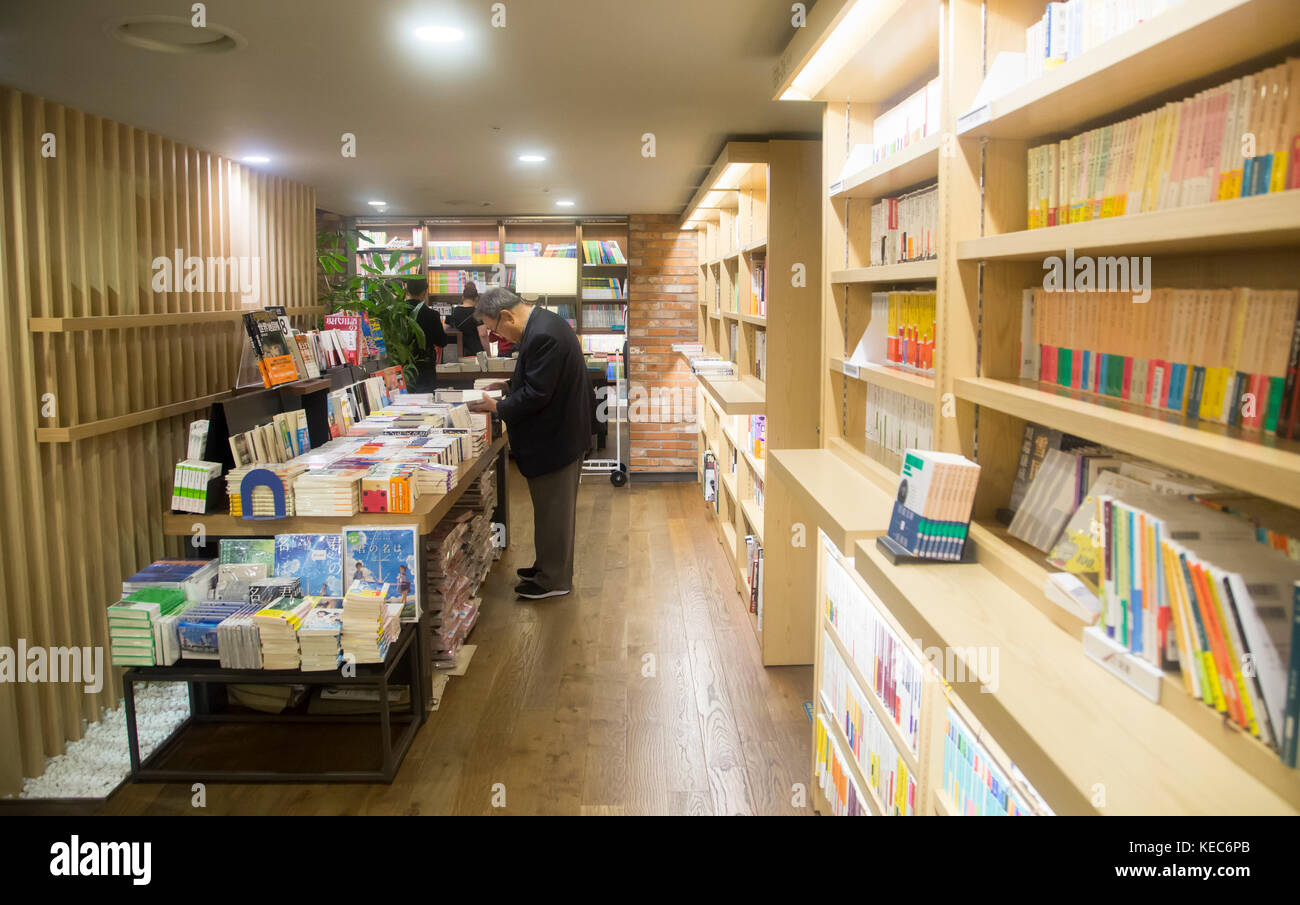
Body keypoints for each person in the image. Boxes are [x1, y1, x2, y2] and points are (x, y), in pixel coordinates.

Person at [468, 287, 591, 600]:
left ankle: (554, 579)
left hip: (556, 438)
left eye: (496, 329)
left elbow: (538, 393)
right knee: (549, 511)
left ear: (507, 315)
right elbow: (541, 377)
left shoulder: (541, 335)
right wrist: (509, 385)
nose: (499, 337)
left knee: (555, 512)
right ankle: (547, 567)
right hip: (559, 435)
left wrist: (498, 406)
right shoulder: (544, 324)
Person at [405, 277, 449, 392]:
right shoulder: (432, 315)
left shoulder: (398, 313)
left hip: (403, 367)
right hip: (425, 367)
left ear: (406, 291)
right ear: (424, 292)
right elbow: (442, 341)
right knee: (426, 401)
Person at [446, 281, 489, 358]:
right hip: (474, 353)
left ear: (462, 297)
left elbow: (445, 330)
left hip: (455, 352)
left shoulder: (452, 311)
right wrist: (488, 354)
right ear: (476, 298)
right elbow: (483, 334)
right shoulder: (477, 313)